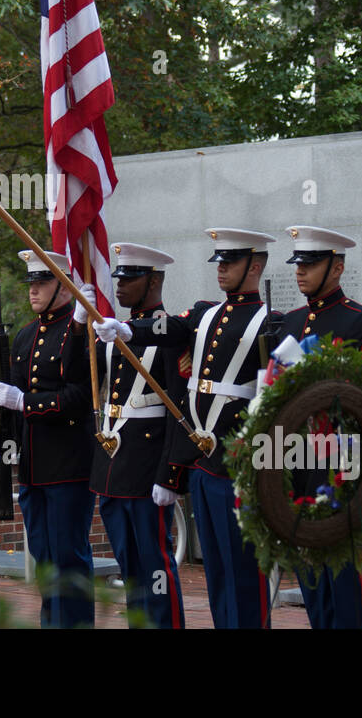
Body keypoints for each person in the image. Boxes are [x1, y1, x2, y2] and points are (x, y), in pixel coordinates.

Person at [94, 229, 279, 628]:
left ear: (256, 266)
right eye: (220, 262)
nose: (222, 269)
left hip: (239, 463)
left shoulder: (273, 322)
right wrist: (129, 330)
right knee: (216, 570)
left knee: (244, 572)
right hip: (203, 465)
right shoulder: (204, 313)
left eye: (230, 262)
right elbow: (168, 329)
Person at [69, 242, 187, 628]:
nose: (119, 286)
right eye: (117, 277)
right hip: (114, 466)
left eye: (130, 278)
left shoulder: (167, 332)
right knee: (128, 564)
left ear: (153, 282)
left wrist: (170, 473)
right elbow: (77, 379)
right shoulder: (110, 333)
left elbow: (178, 410)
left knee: (154, 563)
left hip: (148, 467)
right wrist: (77, 324)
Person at [279, 225, 362, 629]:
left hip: (339, 466)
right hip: (298, 466)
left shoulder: (359, 323)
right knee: (313, 589)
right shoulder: (289, 322)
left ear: (337, 268)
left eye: (310, 263)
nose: (300, 271)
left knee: (343, 588)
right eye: (298, 264)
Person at [0, 249, 94, 627]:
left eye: (43, 282)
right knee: (46, 560)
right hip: (33, 469)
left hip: (68, 465)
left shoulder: (79, 331)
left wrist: (24, 402)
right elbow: (12, 405)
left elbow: (80, 397)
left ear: (64, 286)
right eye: (31, 283)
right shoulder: (25, 336)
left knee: (70, 558)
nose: (33, 290)